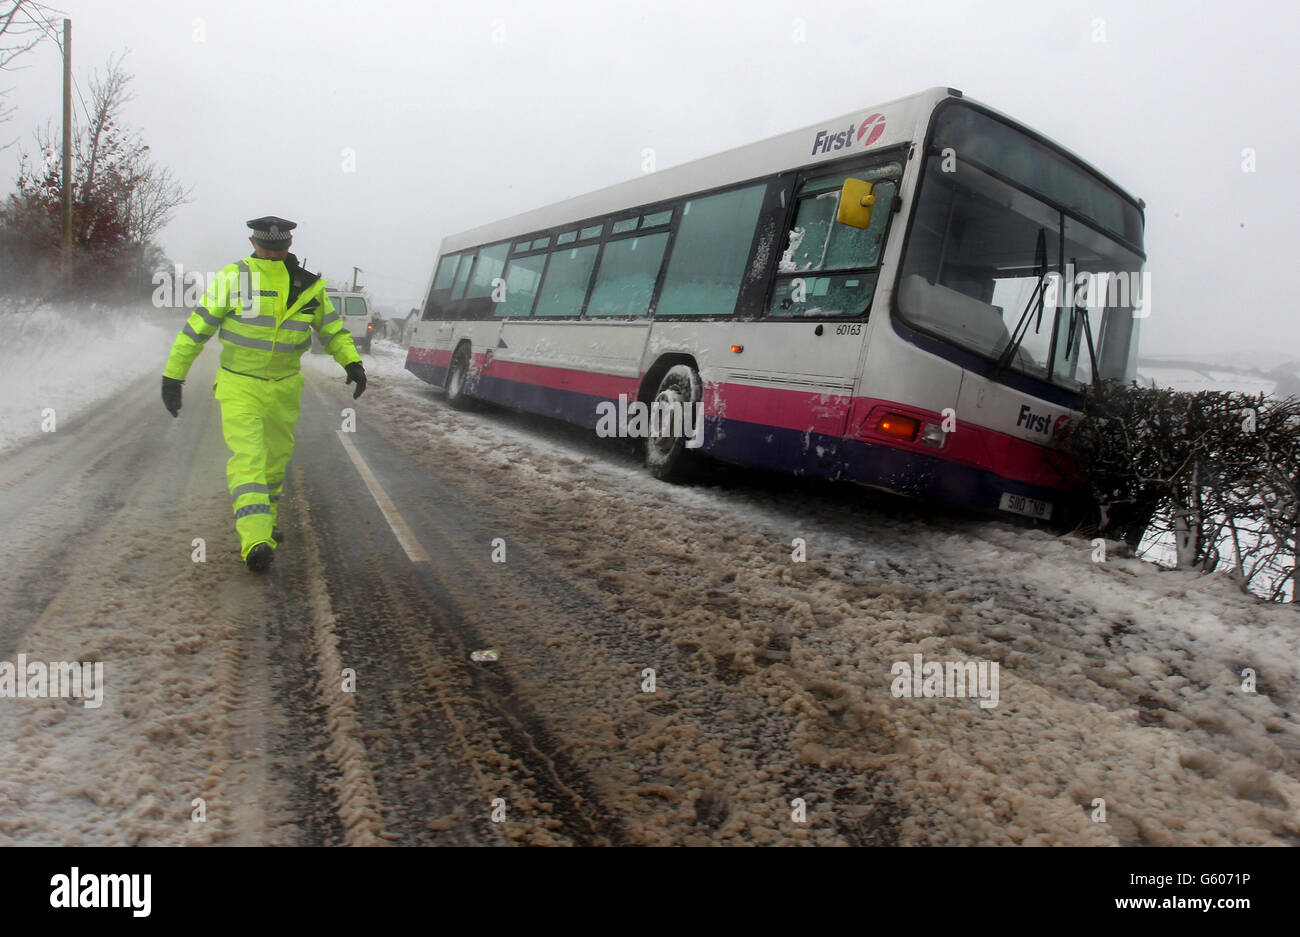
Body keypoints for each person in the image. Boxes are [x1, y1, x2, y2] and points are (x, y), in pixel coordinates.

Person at [160, 216, 367, 571]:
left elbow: (332, 332)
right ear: (254, 243)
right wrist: (173, 376)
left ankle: (267, 523)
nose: (272, 254)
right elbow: (196, 332)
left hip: (284, 388)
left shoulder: (308, 286)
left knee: (274, 462)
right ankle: (255, 540)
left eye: (278, 248)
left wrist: (352, 363)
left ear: (287, 246)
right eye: (267, 248)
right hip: (239, 384)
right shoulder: (233, 278)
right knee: (249, 459)